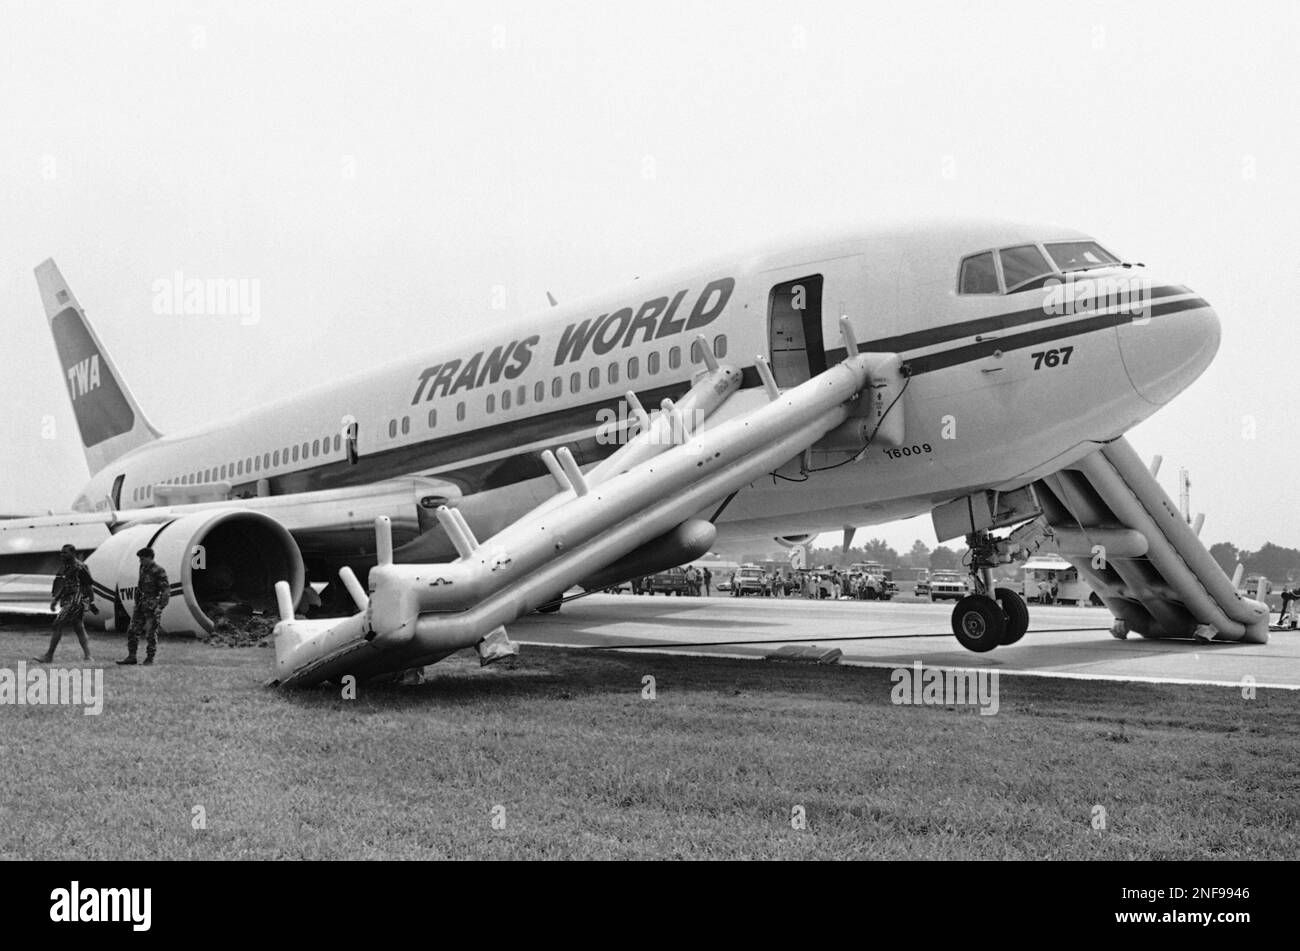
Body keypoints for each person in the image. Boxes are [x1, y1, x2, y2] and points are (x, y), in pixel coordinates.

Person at [33, 544, 96, 663]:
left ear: (73, 553)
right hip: (68, 600)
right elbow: (65, 585)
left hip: (76, 600)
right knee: (78, 627)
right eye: (61, 553)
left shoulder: (80, 567)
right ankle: (88, 656)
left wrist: (91, 602)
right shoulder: (66, 567)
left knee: (58, 624)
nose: (62, 555)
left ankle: (49, 655)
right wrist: (56, 599)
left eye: (65, 553)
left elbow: (88, 586)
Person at [118, 547, 170, 666]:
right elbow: (140, 586)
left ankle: (150, 658)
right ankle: (132, 656)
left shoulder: (158, 571)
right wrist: (137, 602)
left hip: (152, 605)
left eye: (142, 559)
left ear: (150, 558)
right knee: (132, 630)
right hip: (141, 604)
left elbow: (166, 590)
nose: (140, 561)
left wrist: (160, 607)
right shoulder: (143, 569)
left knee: (151, 633)